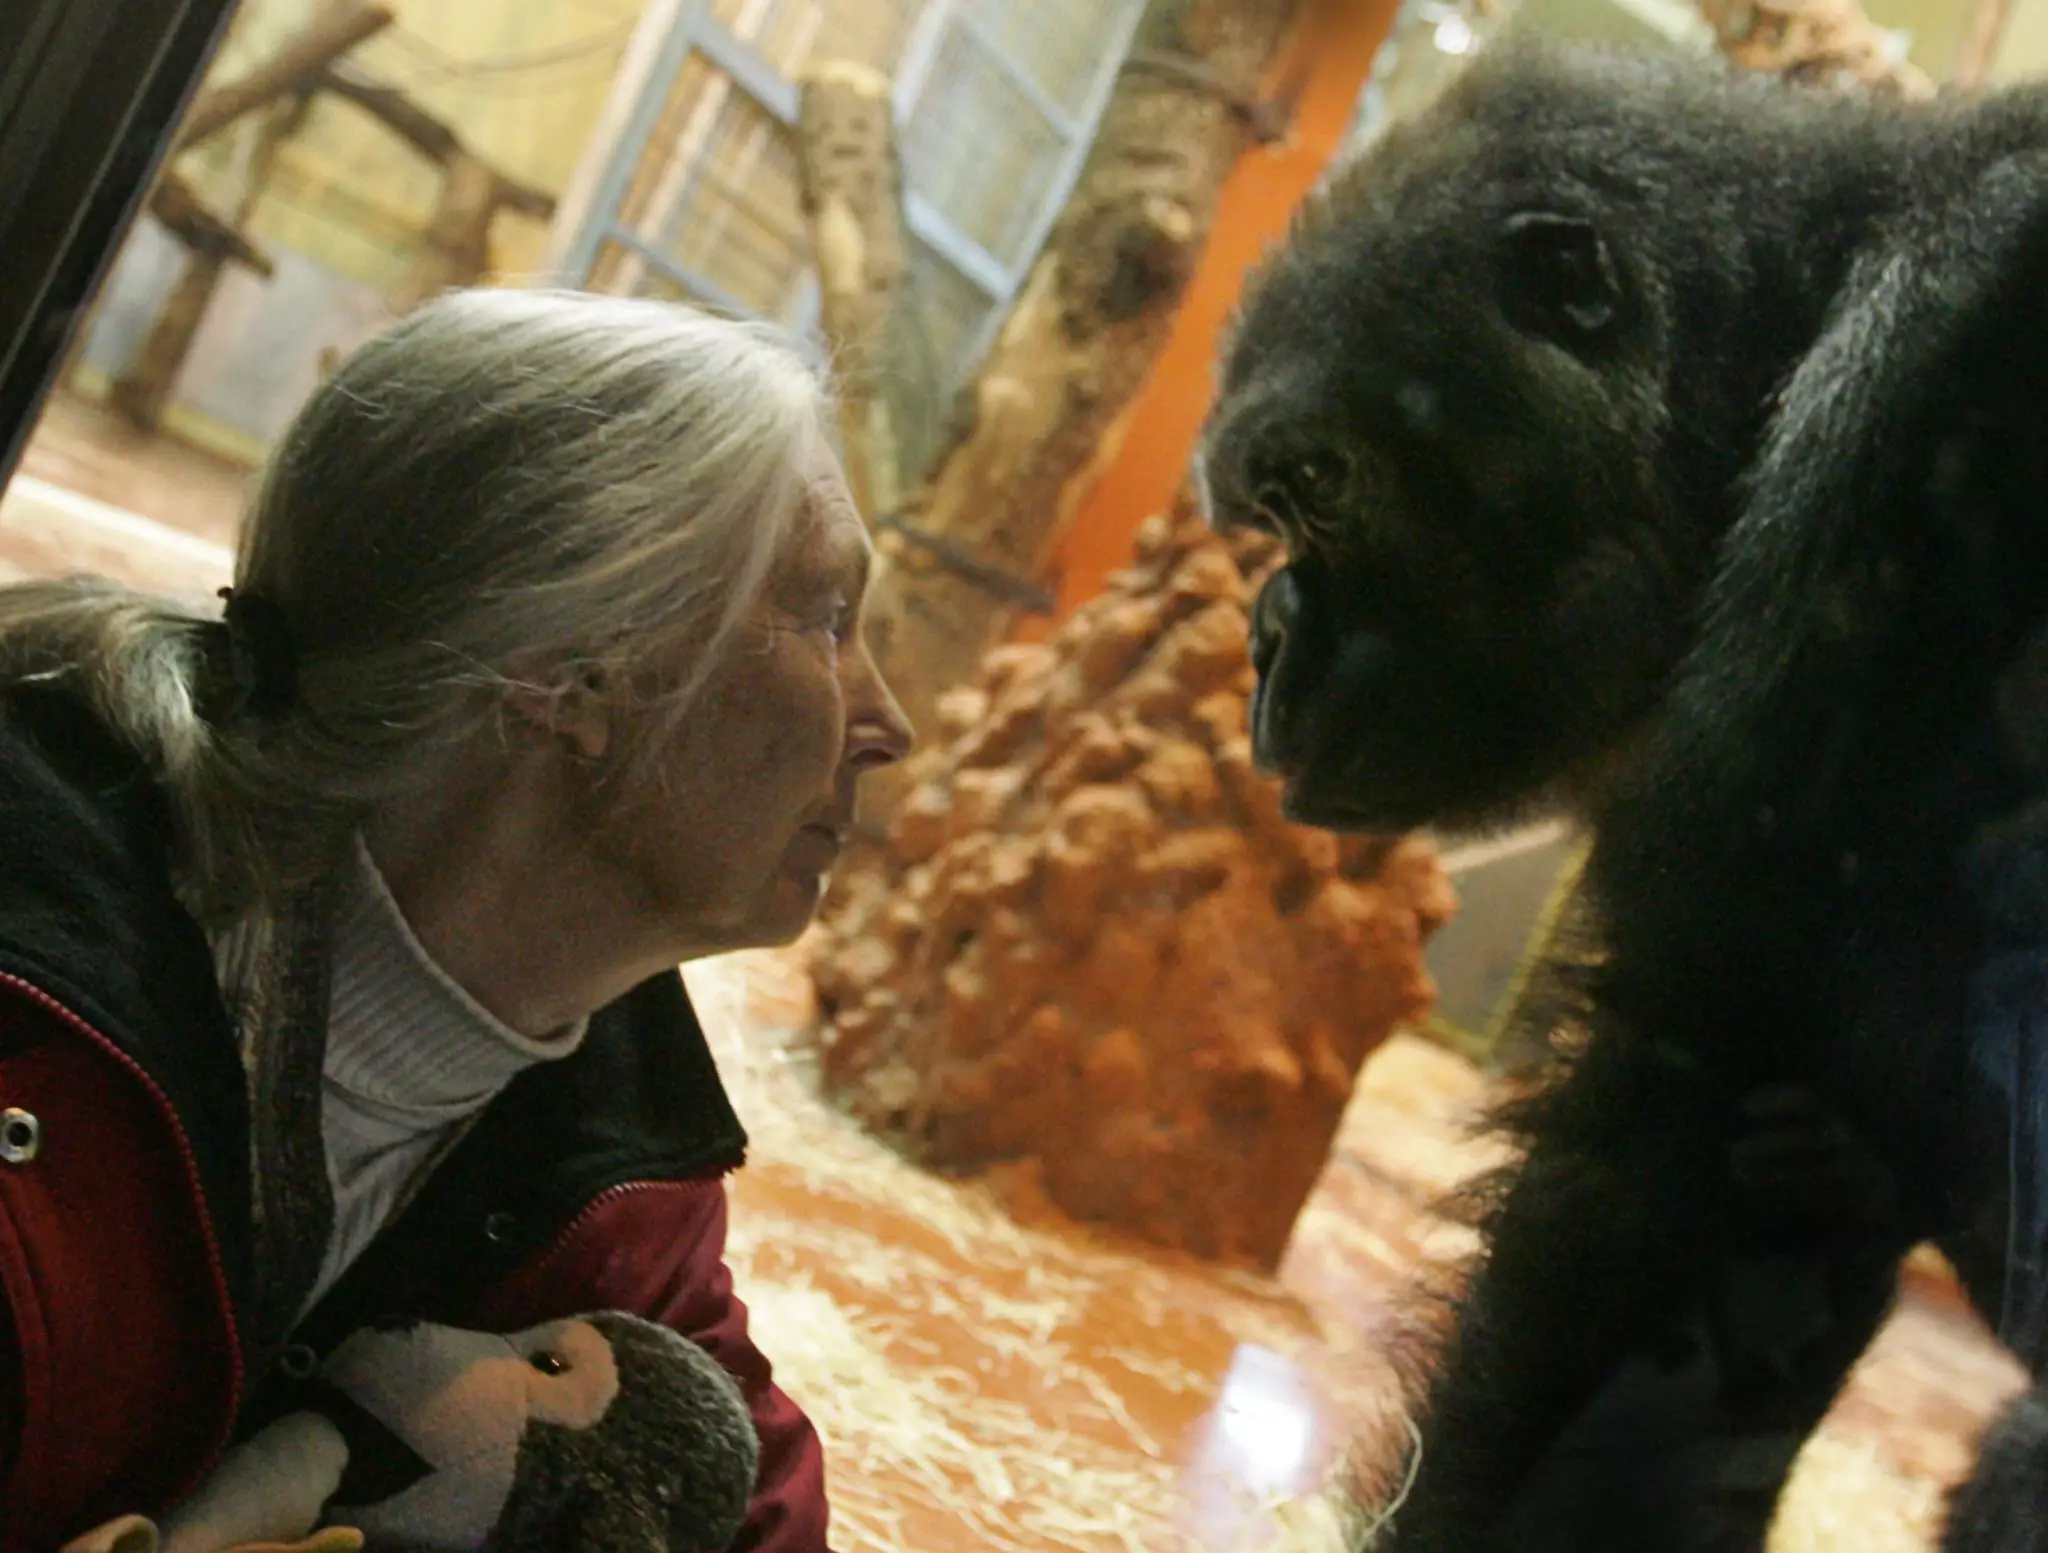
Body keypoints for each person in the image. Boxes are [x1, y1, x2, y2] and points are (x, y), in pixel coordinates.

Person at [0, 288, 911, 1552]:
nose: (886, 723)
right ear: (573, 672)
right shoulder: (36, 956)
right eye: (826, 617)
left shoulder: (613, 1140)